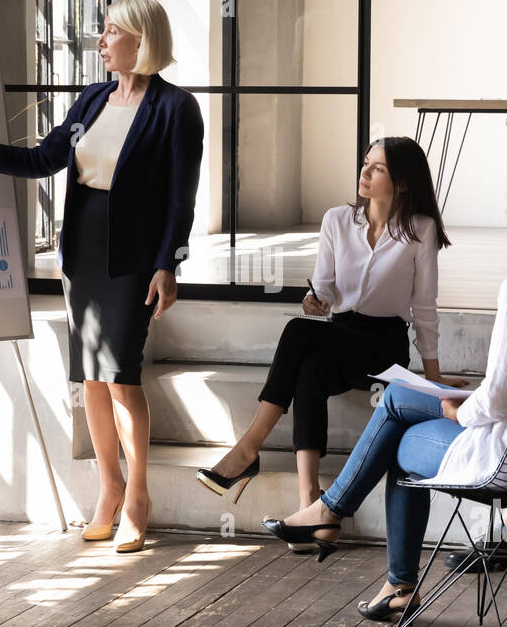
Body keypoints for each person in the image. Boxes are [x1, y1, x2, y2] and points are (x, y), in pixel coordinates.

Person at [261, 163, 507, 620]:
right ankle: (340, 524)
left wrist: (461, 413)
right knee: (400, 397)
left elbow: (498, 401)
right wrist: (464, 400)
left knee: (398, 430)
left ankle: (354, 535)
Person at [0, 0, 203, 553]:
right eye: (102, 32)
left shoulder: (176, 108)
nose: (101, 41)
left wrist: (168, 264)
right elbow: (43, 159)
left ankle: (139, 496)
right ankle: (109, 488)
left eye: (111, 32)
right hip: (85, 249)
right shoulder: (92, 99)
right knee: (90, 378)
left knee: (122, 374)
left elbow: (181, 199)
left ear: (141, 40)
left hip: (134, 256)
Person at [195, 138, 461, 538]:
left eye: (378, 169)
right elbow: (325, 290)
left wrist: (433, 379)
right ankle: (311, 505)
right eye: (365, 164)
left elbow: (424, 310)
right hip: (341, 334)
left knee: (299, 334)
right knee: (311, 366)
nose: (365, 173)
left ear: (403, 184)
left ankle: (249, 448)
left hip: (384, 348)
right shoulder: (337, 220)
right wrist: (315, 300)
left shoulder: (419, 231)